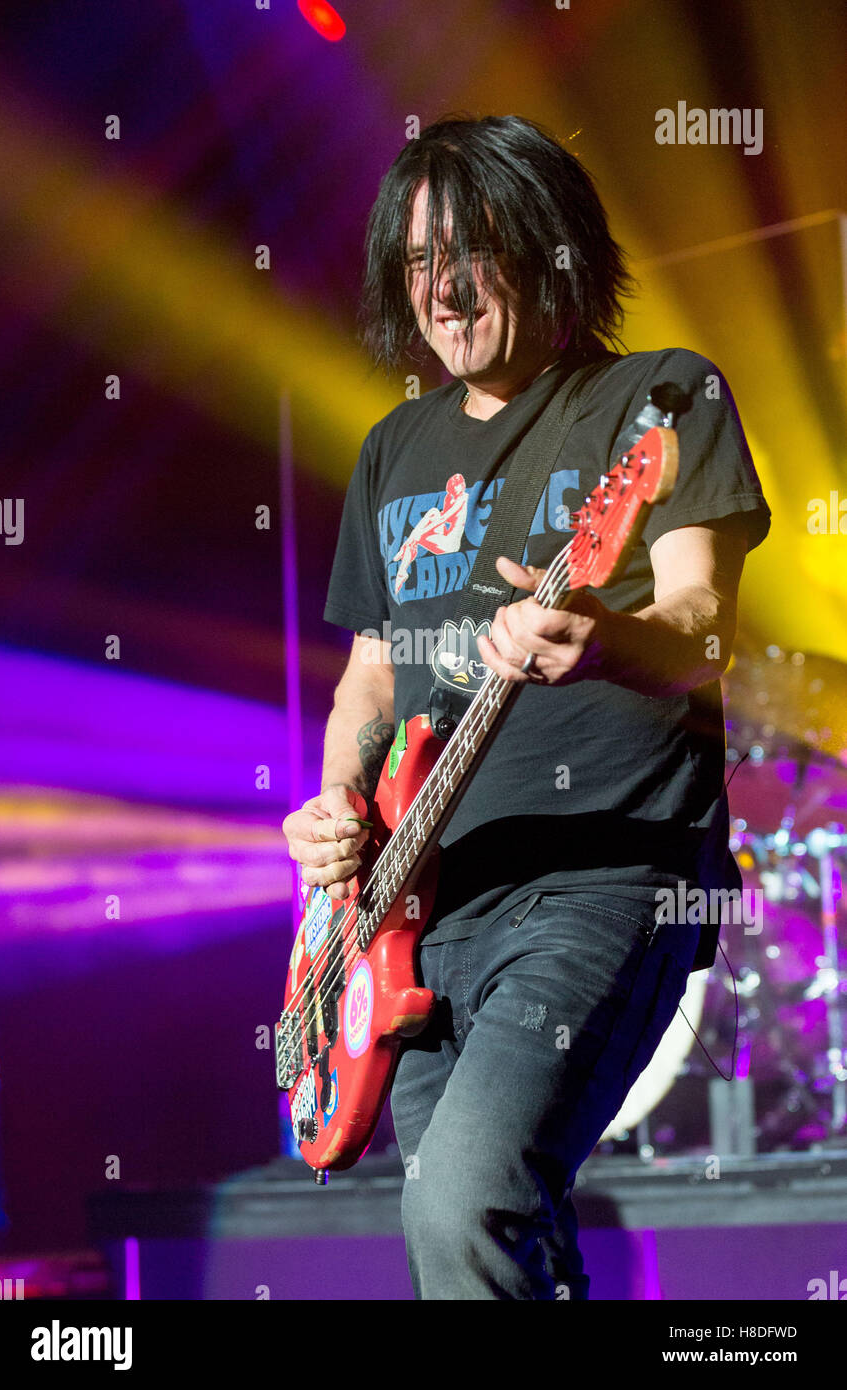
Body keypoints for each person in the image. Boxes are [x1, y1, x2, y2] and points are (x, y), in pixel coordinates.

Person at [282, 114, 770, 1300]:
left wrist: (606, 641)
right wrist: (338, 803)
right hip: (418, 901)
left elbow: (709, 625)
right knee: (464, 1244)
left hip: (603, 878)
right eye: (415, 265)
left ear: (548, 245)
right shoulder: (392, 448)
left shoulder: (655, 398)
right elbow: (370, 677)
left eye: (470, 254)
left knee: (467, 1195)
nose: (440, 295)